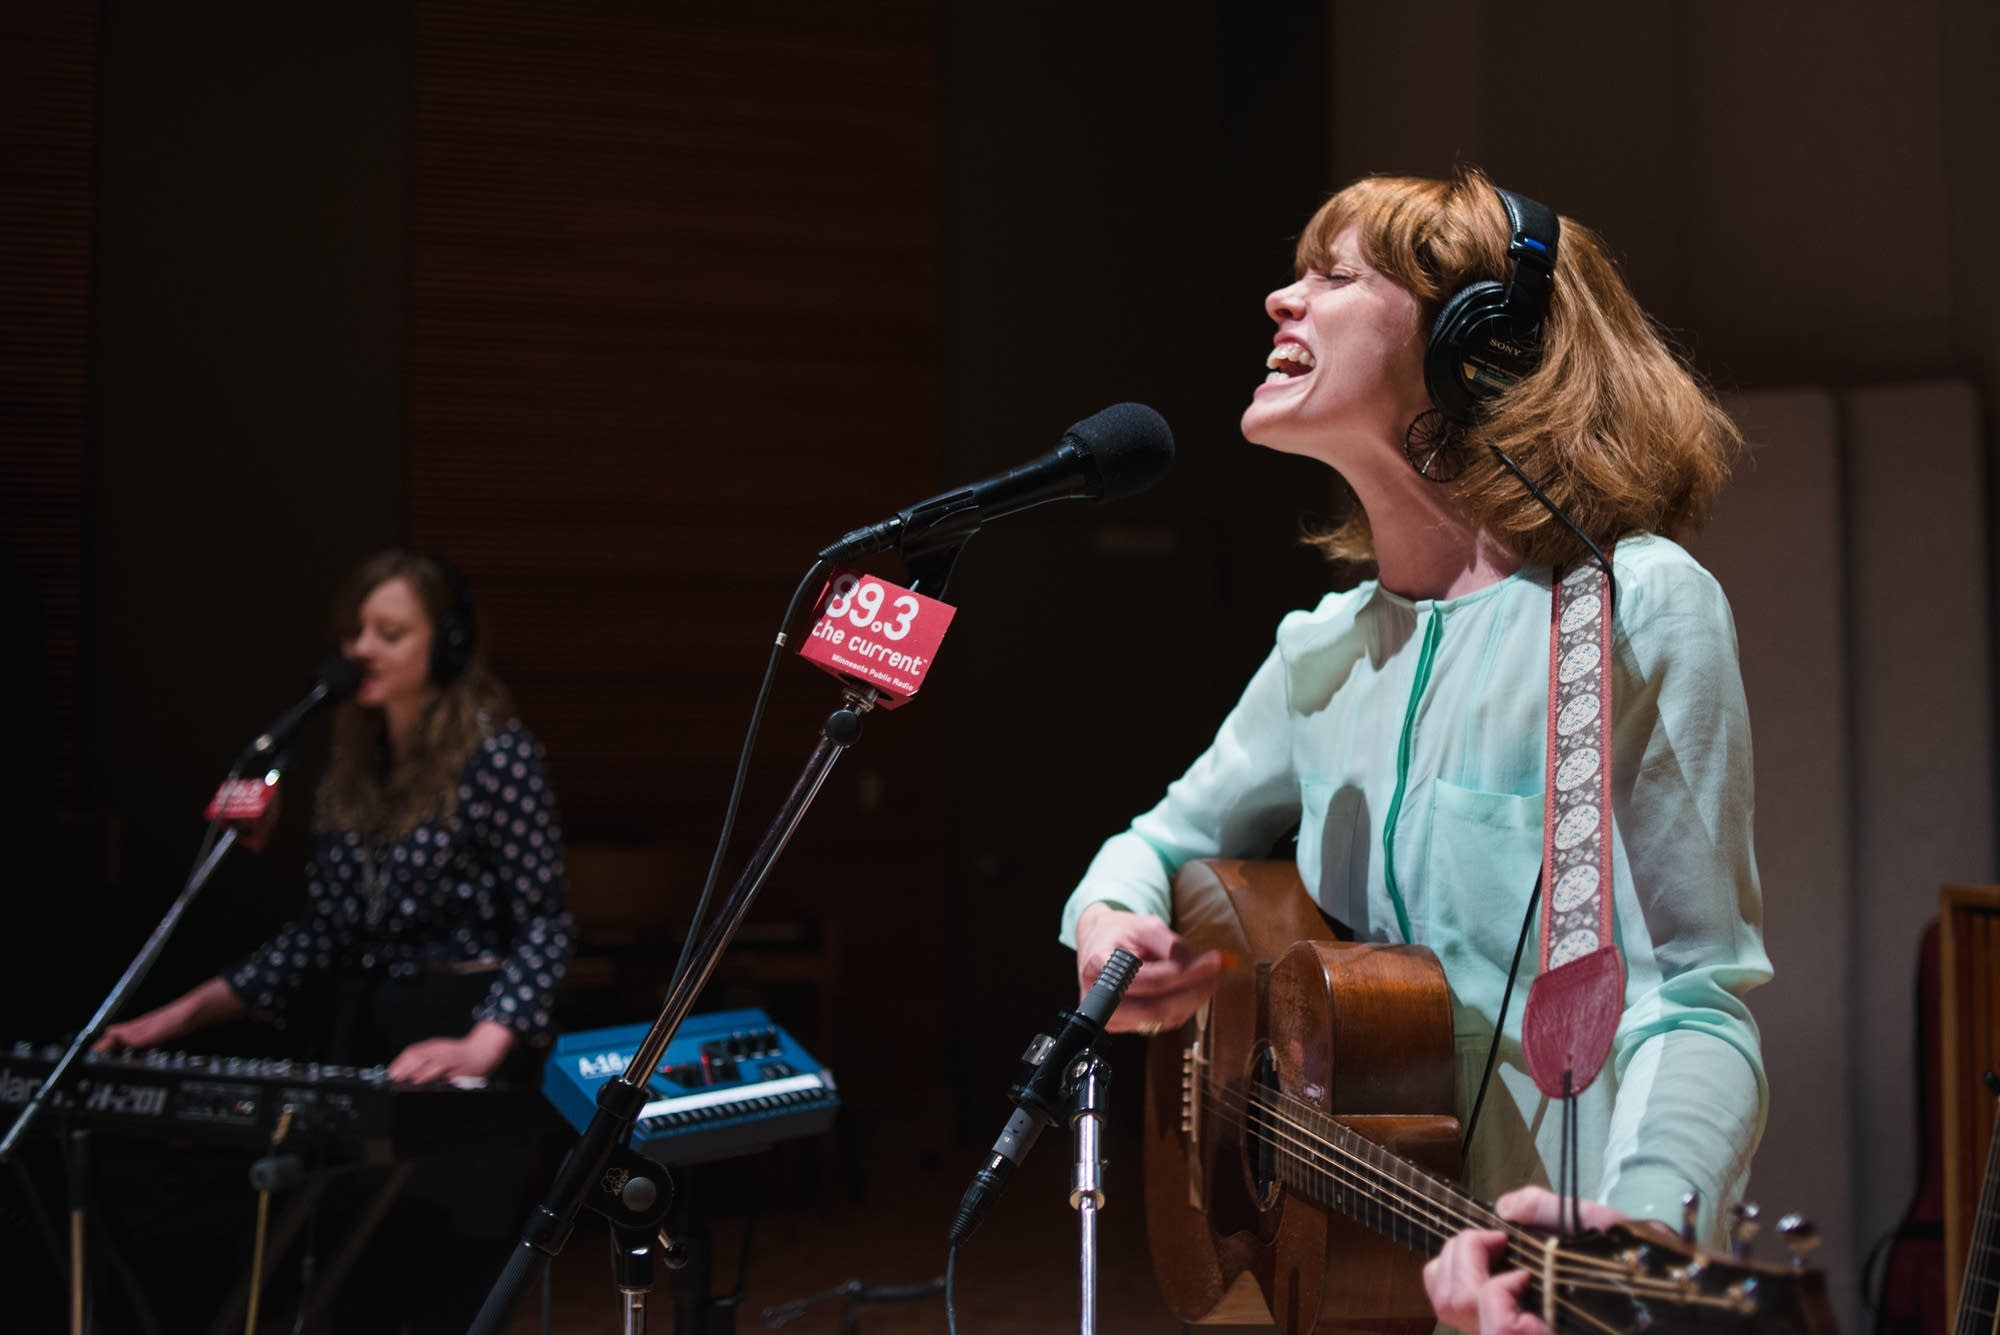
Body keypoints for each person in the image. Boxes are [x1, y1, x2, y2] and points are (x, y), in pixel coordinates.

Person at [1060, 168, 1768, 1334]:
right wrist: (1109, 927)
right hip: (1358, 1281)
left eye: (1334, 275)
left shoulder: (1630, 608)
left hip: (1537, 1282)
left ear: (1473, 345)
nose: (1280, 300)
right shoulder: (1320, 649)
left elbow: (1696, 995)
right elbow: (1152, 846)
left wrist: (1639, 1226)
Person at [96, 548, 573, 1332]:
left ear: (447, 643)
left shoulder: (498, 755)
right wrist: (174, 1017)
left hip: (463, 1033)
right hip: (369, 1036)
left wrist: (483, 1045)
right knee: (356, 1284)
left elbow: (546, 922)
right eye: (354, 632)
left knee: (446, 1287)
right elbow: (321, 934)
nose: (361, 649)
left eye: (389, 632)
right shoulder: (352, 764)